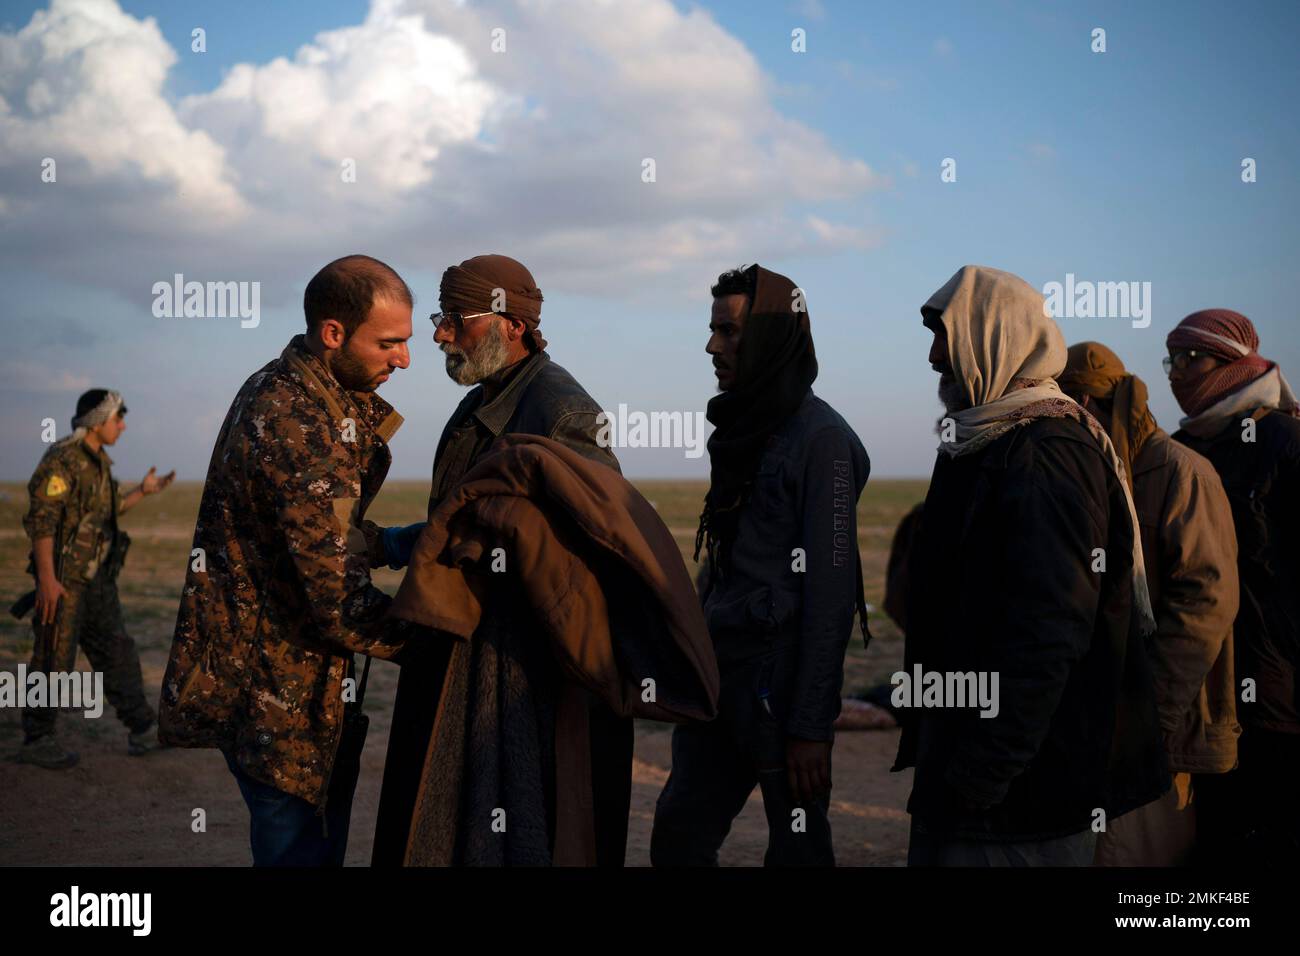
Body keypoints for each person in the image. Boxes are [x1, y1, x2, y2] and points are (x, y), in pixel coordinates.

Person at [894, 265, 1168, 866]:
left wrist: (982, 775)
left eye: (945, 335)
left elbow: (1049, 633)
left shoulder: (1046, 454)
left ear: (994, 337)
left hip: (1018, 806)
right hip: (977, 784)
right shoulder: (987, 440)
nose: (935, 356)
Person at [371, 253, 632, 866]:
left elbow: (593, 546)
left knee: (518, 829)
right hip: (464, 645)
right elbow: (458, 522)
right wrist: (387, 545)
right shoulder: (483, 398)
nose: (440, 335)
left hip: (520, 670)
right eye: (441, 319)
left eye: (453, 321)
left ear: (509, 323)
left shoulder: (561, 411)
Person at [158, 254, 413, 866]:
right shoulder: (296, 420)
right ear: (333, 333)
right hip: (279, 693)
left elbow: (311, 532)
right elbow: (339, 602)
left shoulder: (293, 389)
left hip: (286, 682)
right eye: (389, 343)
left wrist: (397, 543)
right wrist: (453, 639)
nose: (403, 359)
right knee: (299, 853)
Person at [650, 264, 870, 867]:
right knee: (677, 835)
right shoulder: (740, 426)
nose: (712, 345)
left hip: (781, 688)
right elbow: (721, 559)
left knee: (797, 851)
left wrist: (809, 729)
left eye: (729, 332)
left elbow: (831, 598)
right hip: (721, 679)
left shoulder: (822, 441)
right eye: (712, 329)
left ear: (772, 339)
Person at [1059, 341, 1239, 866]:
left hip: (1160, 722)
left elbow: (1207, 602)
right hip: (1102, 713)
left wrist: (1148, 714)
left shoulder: (1182, 472)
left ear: (1086, 406)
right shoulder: (1093, 470)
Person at [1164, 308, 1300, 863]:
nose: (1175, 373)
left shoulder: (1283, 439)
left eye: (1188, 358)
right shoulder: (1179, 447)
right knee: (1215, 825)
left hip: (1276, 680)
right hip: (1203, 671)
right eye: (1170, 359)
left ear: (1230, 361)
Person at [17, 389, 174, 769]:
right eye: (117, 419)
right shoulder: (63, 460)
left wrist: (142, 491)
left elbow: (111, 508)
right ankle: (37, 739)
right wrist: (48, 581)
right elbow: (42, 521)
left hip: (98, 581)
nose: (122, 426)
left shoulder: (98, 463)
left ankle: (142, 729)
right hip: (65, 582)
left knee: (117, 651)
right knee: (53, 657)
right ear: (97, 422)